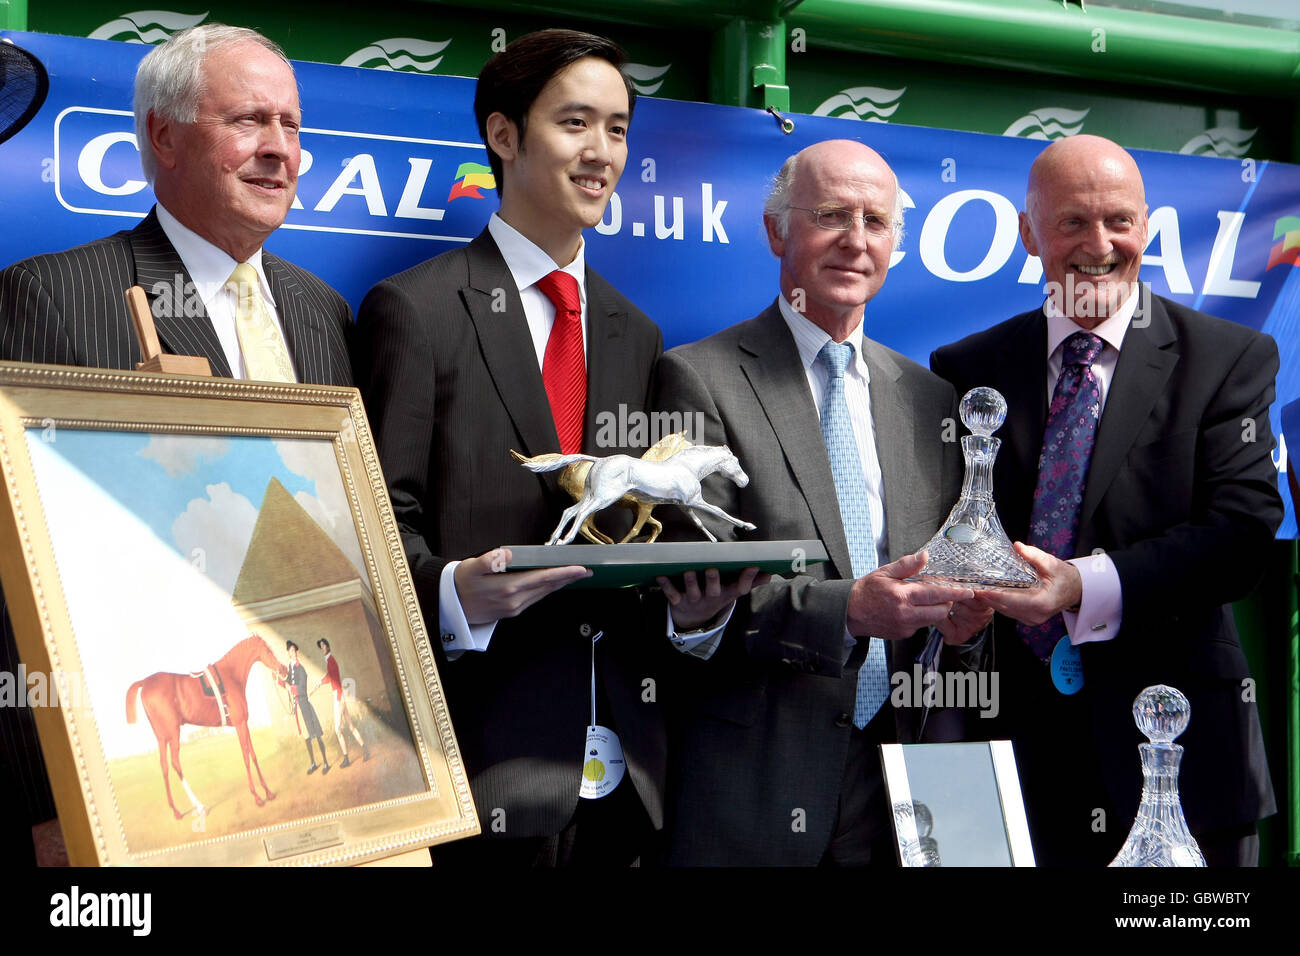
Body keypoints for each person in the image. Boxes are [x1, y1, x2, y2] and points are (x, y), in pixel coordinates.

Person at [0, 24, 353, 863]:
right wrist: (44, 803)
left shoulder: (324, 314)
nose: (278, 150)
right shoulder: (50, 298)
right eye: (247, 122)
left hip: (310, 792)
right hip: (120, 825)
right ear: (162, 135)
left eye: (291, 126)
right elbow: (11, 580)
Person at [350, 29, 665, 866]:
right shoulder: (415, 312)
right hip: (475, 766)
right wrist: (456, 596)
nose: (601, 153)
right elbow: (374, 527)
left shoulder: (638, 332)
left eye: (619, 128)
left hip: (627, 783)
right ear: (503, 135)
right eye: (575, 123)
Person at [931, 134, 1280, 866]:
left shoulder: (1227, 359)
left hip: (1179, 760)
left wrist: (1078, 585)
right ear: (1028, 234)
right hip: (1005, 761)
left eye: (1119, 221)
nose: (1100, 244)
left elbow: (1241, 536)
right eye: (1072, 222)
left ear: (1147, 228)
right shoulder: (964, 370)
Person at [652, 139, 988, 866]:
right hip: (760, 781)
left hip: (915, 780)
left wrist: (963, 624)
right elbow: (697, 590)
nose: (856, 240)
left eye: (876, 221)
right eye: (831, 214)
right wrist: (850, 610)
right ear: (777, 230)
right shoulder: (698, 379)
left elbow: (948, 594)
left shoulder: (930, 399)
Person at [315, 638, 368, 767]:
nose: (322, 648)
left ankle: (346, 759)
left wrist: (338, 697)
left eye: (323, 645)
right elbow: (330, 676)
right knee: (350, 726)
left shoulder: (331, 660)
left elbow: (335, 679)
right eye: (320, 647)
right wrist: (321, 682)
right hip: (340, 695)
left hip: (338, 696)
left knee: (337, 730)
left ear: (328, 646)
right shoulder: (329, 660)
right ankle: (366, 750)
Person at [282, 642, 329, 775]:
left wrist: (291, 688)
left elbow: (302, 688)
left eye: (295, 651)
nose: (294, 653)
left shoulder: (300, 668)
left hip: (305, 705)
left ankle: (326, 762)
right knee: (306, 737)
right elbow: (289, 684)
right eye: (291, 651)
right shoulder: (291, 669)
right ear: (288, 653)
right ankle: (313, 763)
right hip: (298, 707)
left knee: (316, 734)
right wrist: (281, 681)